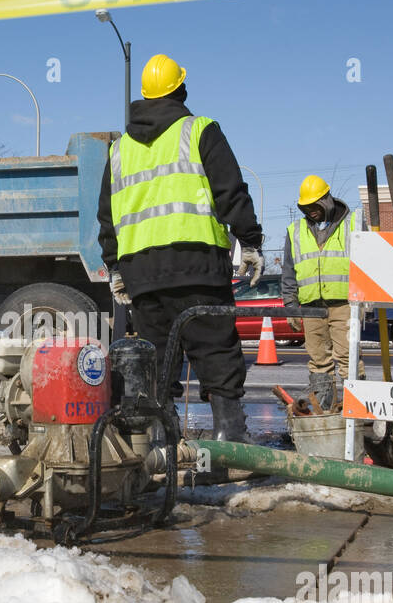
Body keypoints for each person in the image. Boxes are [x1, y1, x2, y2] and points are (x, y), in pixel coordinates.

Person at [97, 53, 264, 441]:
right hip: (198, 266)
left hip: (143, 277)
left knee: (155, 362)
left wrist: (116, 267)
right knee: (216, 352)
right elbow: (230, 192)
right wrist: (250, 241)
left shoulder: (119, 150)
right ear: (181, 90)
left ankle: (159, 449)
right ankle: (228, 444)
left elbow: (106, 217)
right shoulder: (200, 131)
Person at [282, 175, 367, 411]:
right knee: (319, 362)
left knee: (348, 360)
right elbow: (289, 271)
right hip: (311, 307)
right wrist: (291, 304)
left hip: (344, 304)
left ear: (327, 200)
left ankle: (356, 411)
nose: (311, 211)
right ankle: (325, 410)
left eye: (315, 205)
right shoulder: (295, 231)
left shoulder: (353, 224)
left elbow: (368, 264)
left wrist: (364, 302)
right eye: (306, 207)